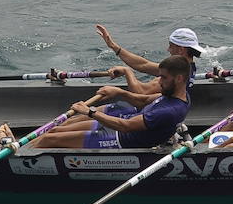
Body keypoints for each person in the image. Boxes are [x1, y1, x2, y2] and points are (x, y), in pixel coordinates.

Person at [32, 56, 191, 149]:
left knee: (49, 140)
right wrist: (119, 92)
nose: (159, 81)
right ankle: (22, 148)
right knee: (55, 130)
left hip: (120, 139)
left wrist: (90, 112)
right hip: (118, 129)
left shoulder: (170, 111)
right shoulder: (174, 95)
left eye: (164, 77)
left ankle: (20, 157)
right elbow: (142, 100)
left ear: (179, 79)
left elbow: (126, 126)